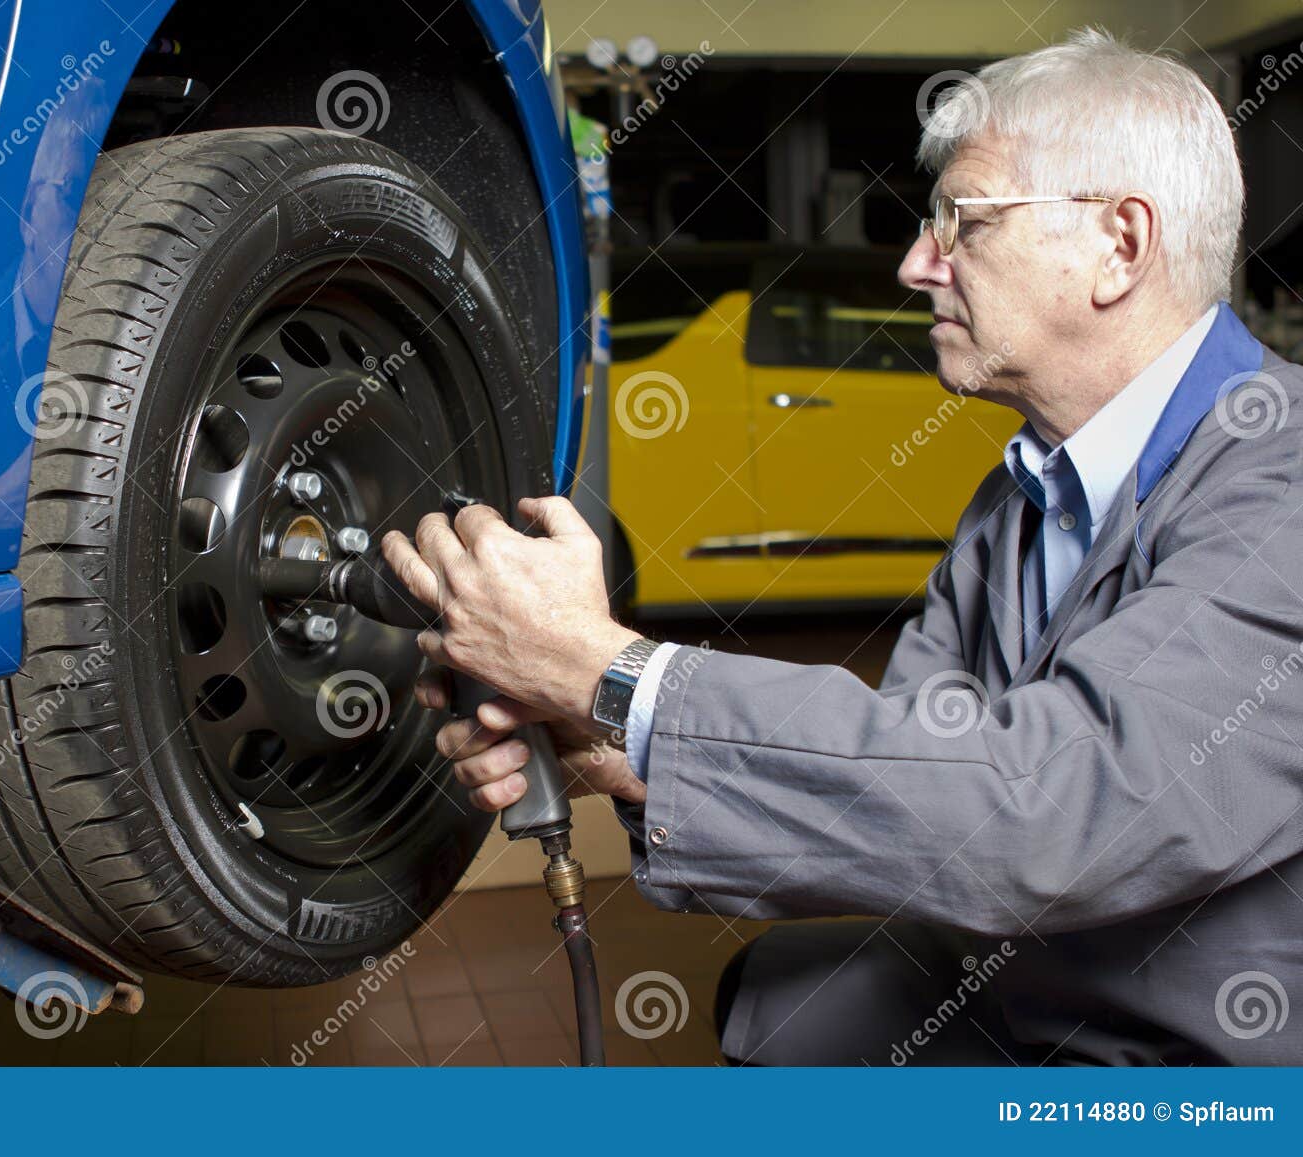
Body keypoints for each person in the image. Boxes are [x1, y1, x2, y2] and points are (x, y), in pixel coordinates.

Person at [381, 28, 1303, 1065]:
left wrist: (619, 676)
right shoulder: (1018, 495)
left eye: (963, 220)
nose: (917, 263)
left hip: (1176, 1056)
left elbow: (1049, 808)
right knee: (780, 1004)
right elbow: (910, 782)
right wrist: (617, 756)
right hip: (1012, 981)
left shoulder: (1279, 484)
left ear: (1119, 246)